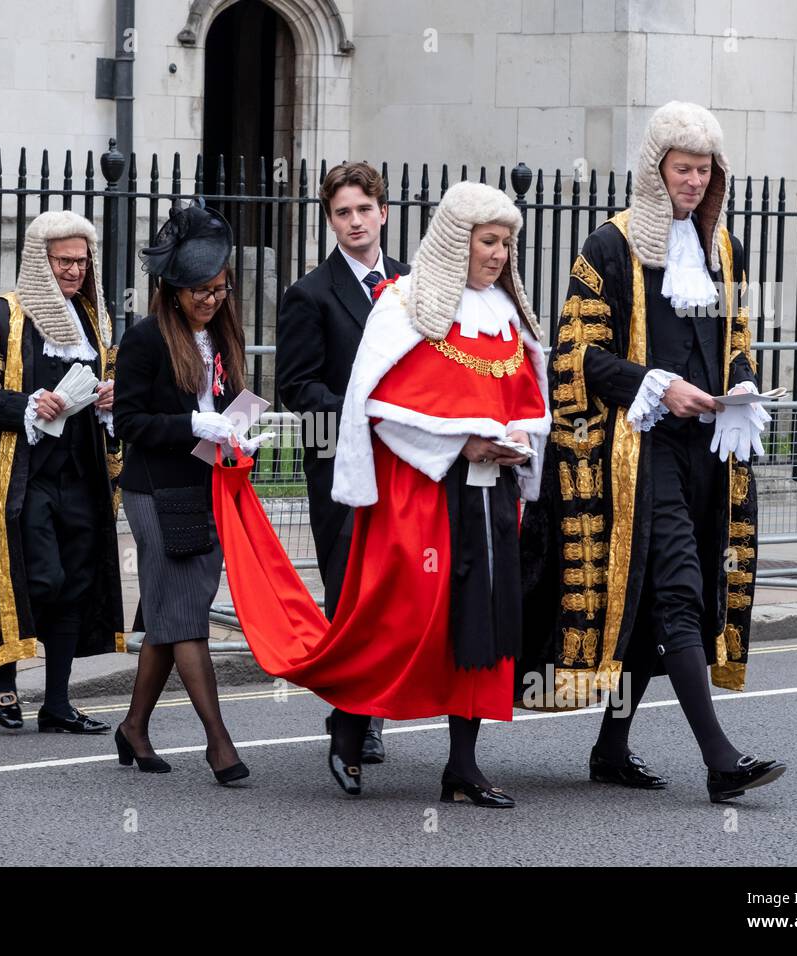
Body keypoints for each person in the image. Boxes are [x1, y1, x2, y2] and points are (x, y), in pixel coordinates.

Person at [214, 181, 551, 806]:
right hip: (418, 496)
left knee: (479, 623)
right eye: (488, 241)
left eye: (506, 242)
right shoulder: (407, 303)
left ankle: (463, 765)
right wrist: (458, 445)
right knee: (397, 621)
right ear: (460, 240)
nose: (499, 254)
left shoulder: (507, 316)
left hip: (489, 495)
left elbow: (527, 401)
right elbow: (377, 405)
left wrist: (514, 445)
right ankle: (348, 727)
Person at [521, 101, 786, 803]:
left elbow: (734, 341)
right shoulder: (608, 246)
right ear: (655, 169)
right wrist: (655, 385)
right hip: (636, 451)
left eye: (704, 170)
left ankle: (611, 748)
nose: (694, 182)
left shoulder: (725, 248)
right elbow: (574, 357)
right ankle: (720, 760)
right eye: (682, 169)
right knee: (676, 589)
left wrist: (744, 385)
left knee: (662, 601)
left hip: (709, 451)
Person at [0, 209, 123, 733]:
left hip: (81, 474)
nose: (74, 271)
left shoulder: (94, 320)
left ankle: (58, 703)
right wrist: (26, 404)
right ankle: (4, 674)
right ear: (41, 262)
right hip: (24, 475)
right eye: (63, 261)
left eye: (81, 261)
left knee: (76, 585)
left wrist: (110, 399)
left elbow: (110, 383)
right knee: (38, 577)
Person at [112, 202, 263, 785]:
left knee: (171, 616)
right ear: (173, 291)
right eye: (200, 290)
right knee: (188, 618)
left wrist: (241, 423)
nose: (212, 299)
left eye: (220, 288)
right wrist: (193, 426)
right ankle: (219, 743)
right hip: (155, 492)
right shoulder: (145, 340)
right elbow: (130, 422)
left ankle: (134, 727)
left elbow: (233, 403)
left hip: (207, 485)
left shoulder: (224, 334)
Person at [276, 160, 410, 764]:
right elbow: (297, 387)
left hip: (408, 462)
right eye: (342, 213)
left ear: (383, 212)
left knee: (396, 589)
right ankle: (350, 711)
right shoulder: (308, 294)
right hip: (339, 462)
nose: (355, 221)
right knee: (350, 588)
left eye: (364, 209)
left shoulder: (413, 283)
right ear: (330, 221)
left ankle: (372, 709)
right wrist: (366, 410)